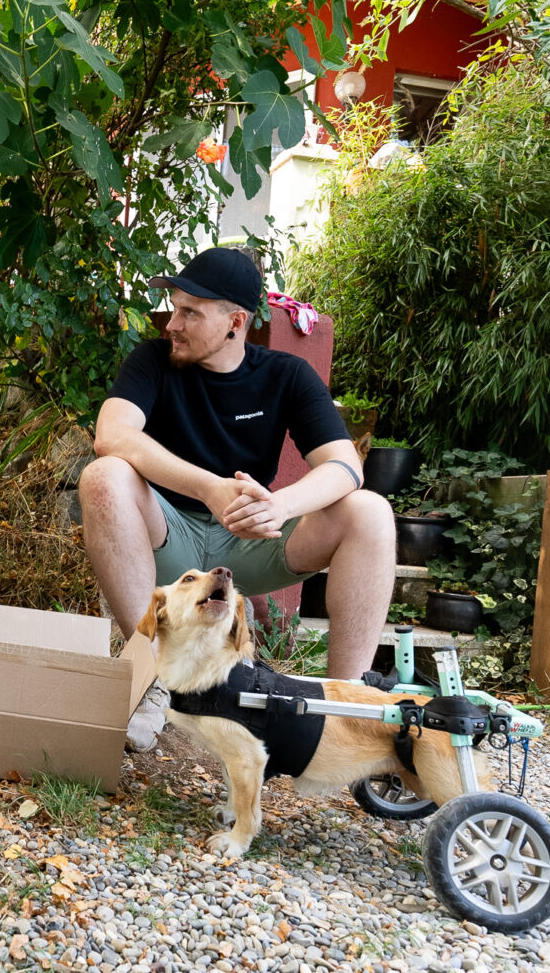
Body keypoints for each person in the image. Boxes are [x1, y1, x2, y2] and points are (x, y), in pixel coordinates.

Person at [77, 247, 394, 751]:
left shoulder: (286, 375)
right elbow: (112, 435)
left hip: (251, 543)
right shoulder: (152, 362)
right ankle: (156, 674)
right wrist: (208, 486)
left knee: (371, 512)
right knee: (104, 476)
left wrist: (279, 505)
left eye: (190, 312)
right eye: (174, 307)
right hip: (169, 540)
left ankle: (346, 709)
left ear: (235, 322)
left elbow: (345, 466)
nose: (172, 324)